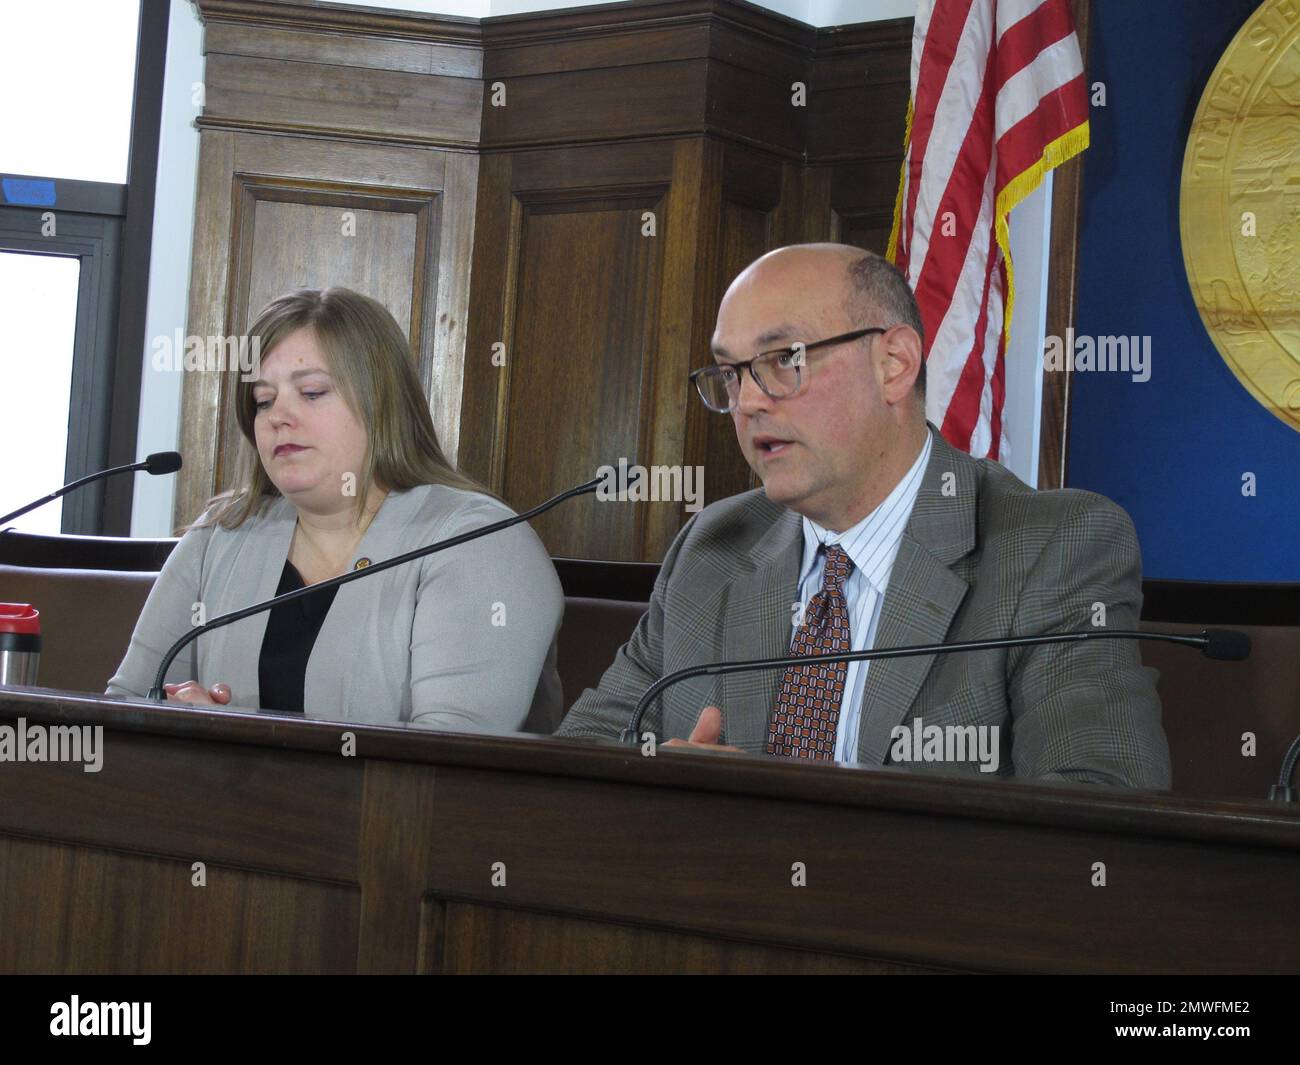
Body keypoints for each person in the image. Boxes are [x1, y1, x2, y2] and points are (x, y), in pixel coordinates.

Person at [557, 244, 1171, 788]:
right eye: (730, 373)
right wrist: (659, 789)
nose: (746, 402)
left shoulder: (1050, 547)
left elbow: (1103, 797)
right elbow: (574, 766)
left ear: (894, 365)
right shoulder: (713, 545)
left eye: (782, 360)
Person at [107, 287, 563, 734]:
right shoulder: (221, 535)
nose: (277, 415)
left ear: (381, 402)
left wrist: (236, 757)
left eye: (311, 392)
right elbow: (126, 709)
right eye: (263, 401)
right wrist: (179, 723)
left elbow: (446, 771)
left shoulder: (480, 541)